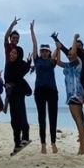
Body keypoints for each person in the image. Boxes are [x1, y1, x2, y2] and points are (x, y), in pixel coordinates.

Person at [55, 34, 84, 155]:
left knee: (78, 120)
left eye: (72, 52)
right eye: (69, 53)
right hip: (71, 95)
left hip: (76, 93)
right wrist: (59, 49)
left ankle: (83, 143)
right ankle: (83, 140)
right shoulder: (68, 65)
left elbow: (74, 53)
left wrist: (74, 39)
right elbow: (58, 62)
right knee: (78, 120)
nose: (70, 54)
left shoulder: (78, 62)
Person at [29, 21, 58, 154]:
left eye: (46, 51)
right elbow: (34, 44)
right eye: (42, 51)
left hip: (52, 91)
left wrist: (57, 46)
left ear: (49, 52)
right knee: (42, 117)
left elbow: (57, 51)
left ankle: (53, 143)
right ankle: (43, 144)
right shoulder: (37, 60)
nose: (44, 53)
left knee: (53, 117)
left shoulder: (52, 61)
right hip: (40, 91)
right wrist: (32, 31)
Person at [5, 46, 33, 155]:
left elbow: (23, 70)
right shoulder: (8, 65)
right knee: (14, 120)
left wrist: (29, 61)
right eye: (11, 52)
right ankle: (17, 144)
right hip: (11, 94)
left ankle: (25, 137)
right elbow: (8, 78)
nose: (12, 54)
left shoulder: (21, 65)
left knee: (21, 115)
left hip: (19, 92)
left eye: (14, 53)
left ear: (19, 55)